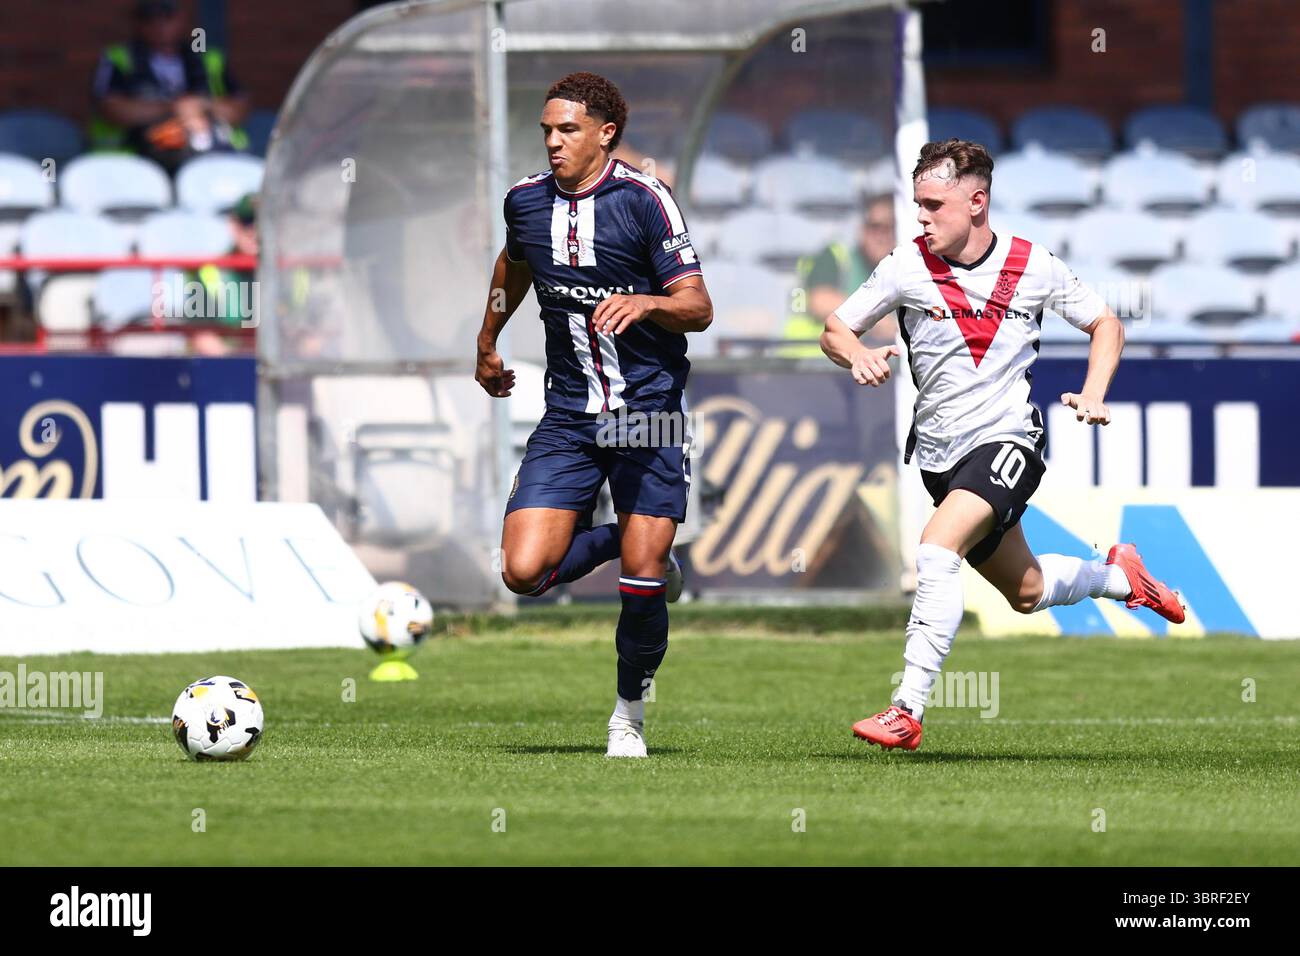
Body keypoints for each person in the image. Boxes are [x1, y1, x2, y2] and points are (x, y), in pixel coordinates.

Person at [819, 138, 1185, 752]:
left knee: (936, 551)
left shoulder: (1033, 264)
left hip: (1008, 440)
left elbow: (1106, 323)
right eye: (918, 204)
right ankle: (1121, 578)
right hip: (940, 458)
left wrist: (1095, 391)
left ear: (977, 202)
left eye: (934, 204)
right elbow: (834, 328)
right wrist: (855, 354)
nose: (922, 217)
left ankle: (906, 710)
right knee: (1028, 592)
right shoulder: (905, 266)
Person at [474, 72, 712, 758]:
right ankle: (635, 540)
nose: (553, 141)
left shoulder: (645, 200)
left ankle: (627, 718)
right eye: (547, 129)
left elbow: (699, 306)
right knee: (523, 572)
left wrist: (649, 303)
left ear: (606, 134)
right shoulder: (524, 201)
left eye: (568, 129)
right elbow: (513, 264)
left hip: (647, 414)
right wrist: (487, 340)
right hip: (571, 417)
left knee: (640, 583)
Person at [90, 0, 248, 170]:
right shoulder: (119, 57)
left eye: (167, 17)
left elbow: (238, 109)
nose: (159, 25)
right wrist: (174, 107)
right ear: (137, 23)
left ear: (182, 19)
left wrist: (201, 105)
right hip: (136, 160)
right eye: (149, 18)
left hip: (213, 156)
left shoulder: (208, 58)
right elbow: (112, 109)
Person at [782, 193, 897, 356]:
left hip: (861, 368)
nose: (882, 236)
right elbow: (820, 300)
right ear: (862, 229)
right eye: (875, 226)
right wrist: (876, 319)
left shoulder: (903, 269)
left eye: (891, 228)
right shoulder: (836, 256)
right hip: (811, 364)